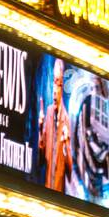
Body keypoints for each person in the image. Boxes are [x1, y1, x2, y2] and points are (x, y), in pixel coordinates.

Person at [37, 58, 73, 191]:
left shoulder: (66, 120)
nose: (54, 90)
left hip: (58, 194)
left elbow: (70, 171)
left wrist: (66, 143)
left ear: (62, 86)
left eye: (57, 83)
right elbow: (41, 160)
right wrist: (40, 129)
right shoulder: (48, 112)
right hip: (46, 190)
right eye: (53, 82)